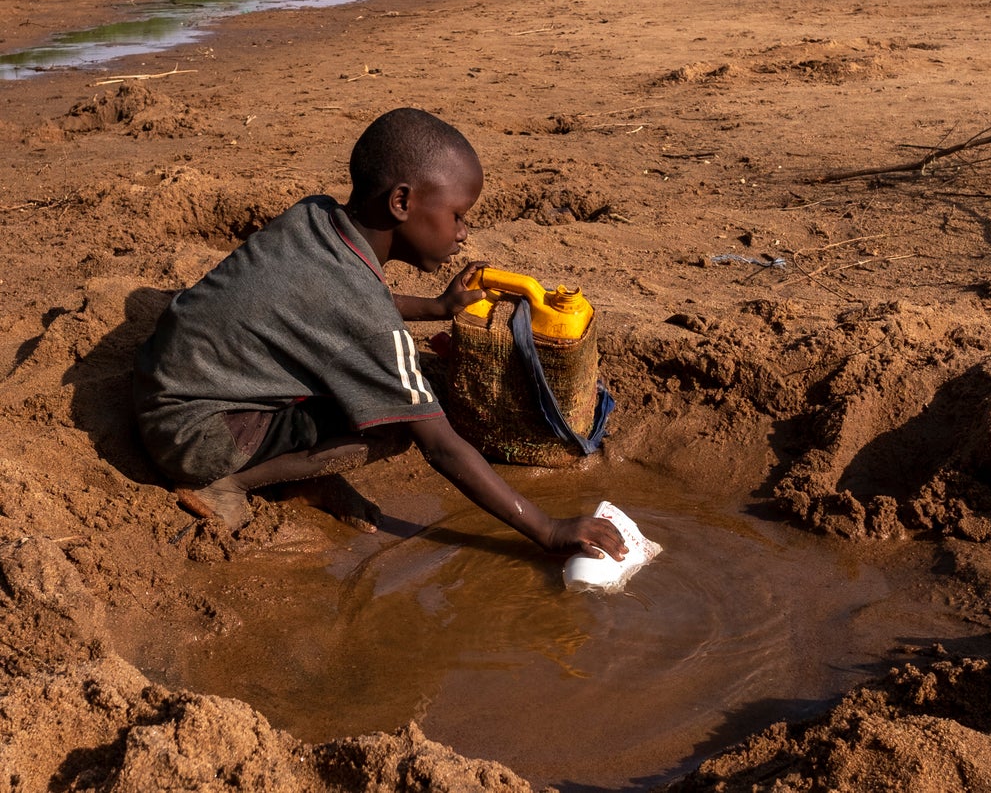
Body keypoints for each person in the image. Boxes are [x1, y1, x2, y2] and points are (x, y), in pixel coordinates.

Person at [133, 107, 626, 562]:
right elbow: (441, 446)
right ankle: (233, 482)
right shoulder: (362, 310)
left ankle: (296, 475)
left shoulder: (316, 217)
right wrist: (548, 528)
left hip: (165, 387)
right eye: (457, 215)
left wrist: (436, 308)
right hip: (194, 438)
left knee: (371, 380)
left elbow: (330, 307)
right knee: (394, 424)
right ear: (402, 201)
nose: (464, 233)